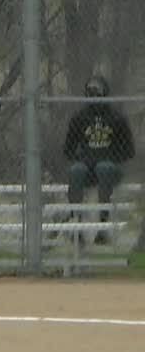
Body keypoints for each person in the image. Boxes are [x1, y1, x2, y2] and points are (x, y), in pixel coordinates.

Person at [62, 74, 135, 244]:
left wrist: (108, 157)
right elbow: (68, 150)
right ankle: (76, 226)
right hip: (88, 169)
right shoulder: (79, 118)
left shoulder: (116, 118)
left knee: (104, 167)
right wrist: (83, 158)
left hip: (111, 169)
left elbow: (129, 151)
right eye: (90, 92)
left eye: (98, 92)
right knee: (76, 170)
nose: (94, 96)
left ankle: (103, 226)